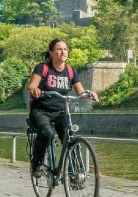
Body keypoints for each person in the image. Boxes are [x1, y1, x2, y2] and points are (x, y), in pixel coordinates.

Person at [25, 39, 99, 178]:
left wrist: (89, 93)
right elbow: (31, 86)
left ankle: (74, 173)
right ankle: (37, 164)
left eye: (65, 49)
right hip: (41, 111)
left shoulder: (70, 71)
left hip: (61, 112)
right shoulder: (42, 68)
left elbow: (80, 93)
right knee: (47, 134)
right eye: (59, 49)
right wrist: (34, 90)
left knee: (69, 136)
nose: (63, 52)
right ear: (51, 53)